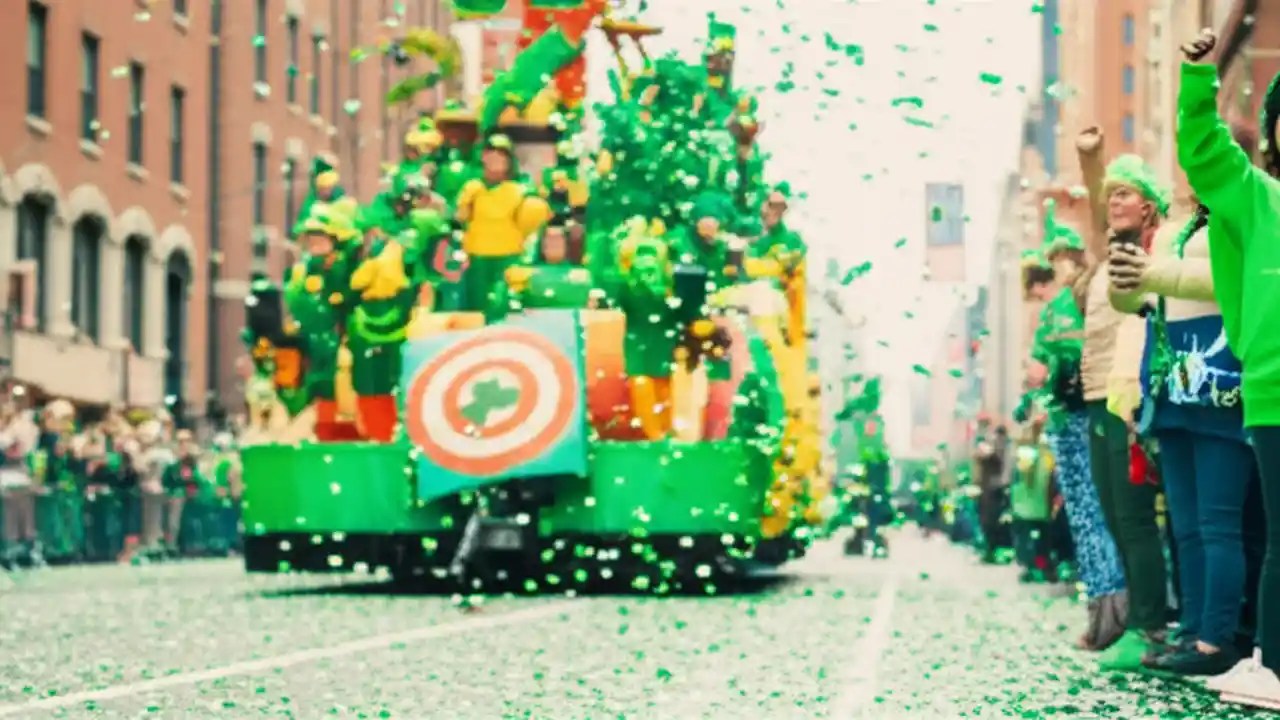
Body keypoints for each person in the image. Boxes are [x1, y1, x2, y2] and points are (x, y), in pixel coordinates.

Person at [1176, 29, 1280, 707]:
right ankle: (1271, 665)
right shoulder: (1255, 195)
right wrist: (1196, 80)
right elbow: (1206, 152)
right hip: (1276, 391)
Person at [1109, 198, 1251, 677]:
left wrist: (1153, 273)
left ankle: (1216, 638)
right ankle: (1191, 630)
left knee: (1218, 523)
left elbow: (1231, 280)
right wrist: (1127, 272)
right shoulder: (1177, 228)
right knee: (1186, 527)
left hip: (1221, 380)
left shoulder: (1247, 208)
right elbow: (1136, 301)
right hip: (1171, 382)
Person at [1078, 135, 1174, 671]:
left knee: (1135, 517)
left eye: (1126, 194)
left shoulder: (1153, 252)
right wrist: (1092, 162)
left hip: (1127, 399)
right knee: (1116, 514)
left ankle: (1153, 624)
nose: (1114, 202)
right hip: (1096, 399)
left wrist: (1091, 162)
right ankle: (1144, 616)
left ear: (1149, 205)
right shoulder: (1111, 251)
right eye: (1110, 194)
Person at [1026, 242, 1128, 650]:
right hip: (1077, 415)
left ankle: (1109, 617)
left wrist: (1048, 372)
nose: (1044, 283)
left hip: (1080, 415)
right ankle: (1105, 615)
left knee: (1090, 517)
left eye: (1053, 266)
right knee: (1090, 516)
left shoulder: (1069, 303)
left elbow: (1046, 366)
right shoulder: (1073, 300)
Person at [0, 401, 41, 569]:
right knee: (9, 517)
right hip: (6, 477)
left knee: (23, 517)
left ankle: (25, 551)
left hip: (18, 476)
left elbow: (25, 448)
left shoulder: (20, 429)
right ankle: (11, 550)